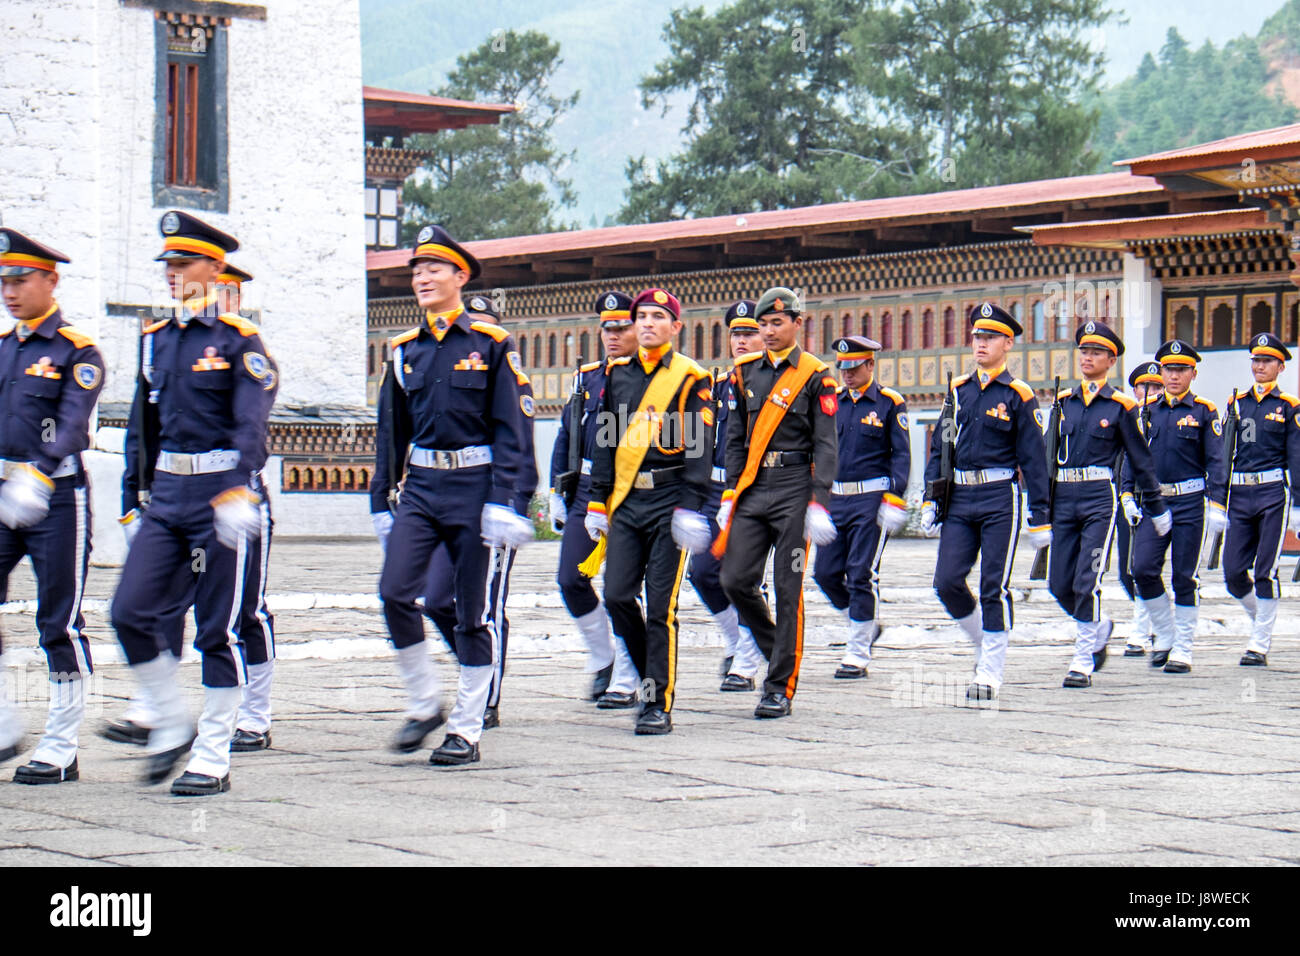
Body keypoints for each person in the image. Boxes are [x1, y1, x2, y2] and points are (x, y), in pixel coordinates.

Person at [112, 210, 277, 795]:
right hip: (168, 495)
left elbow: (251, 422)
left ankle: (213, 751)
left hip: (220, 495)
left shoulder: (239, 341)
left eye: (184, 264)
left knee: (219, 629)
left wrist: (239, 484)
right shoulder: (156, 342)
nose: (174, 275)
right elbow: (142, 425)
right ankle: (170, 718)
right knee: (129, 612)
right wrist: (134, 496)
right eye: (170, 265)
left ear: (214, 268)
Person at [370, 225, 533, 766]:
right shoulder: (403, 351)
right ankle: (424, 704)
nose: (421, 278)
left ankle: (467, 726)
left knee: (470, 612)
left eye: (433, 269)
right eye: (415, 271)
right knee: (395, 593)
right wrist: (379, 500)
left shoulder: (490, 346)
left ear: (460, 277)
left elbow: (512, 428)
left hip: (474, 487)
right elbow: (389, 432)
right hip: (420, 487)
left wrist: (505, 500)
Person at [583, 288, 713, 735]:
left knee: (661, 605)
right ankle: (645, 673)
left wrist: (691, 507)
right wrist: (599, 500)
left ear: (676, 327)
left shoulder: (690, 377)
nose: (647, 324)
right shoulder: (617, 375)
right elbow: (604, 441)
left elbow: (698, 445)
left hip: (668, 499)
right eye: (641, 316)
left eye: (658, 316)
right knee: (617, 594)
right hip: (627, 501)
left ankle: (657, 702)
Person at [0, 228, 104, 784]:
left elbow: (71, 423)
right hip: (1, 490)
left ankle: (61, 745)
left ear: (50, 281)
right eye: (4, 281)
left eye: (20, 280)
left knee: (57, 620)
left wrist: (38, 474)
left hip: (57, 495)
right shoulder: (3, 346)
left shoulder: (76, 349)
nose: (10, 291)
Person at [716, 286, 838, 718]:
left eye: (776, 324)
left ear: (797, 324)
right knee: (733, 579)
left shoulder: (816, 375)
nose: (767, 332)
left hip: (793, 487)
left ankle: (779, 687)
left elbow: (826, 444)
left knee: (788, 588)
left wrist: (818, 501)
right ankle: (777, 650)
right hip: (754, 485)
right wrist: (732, 490)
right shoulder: (744, 373)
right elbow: (734, 437)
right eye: (762, 325)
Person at [418, 293, 538, 729]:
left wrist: (514, 505)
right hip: (452, 502)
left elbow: (521, 447)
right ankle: (477, 665)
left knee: (487, 604)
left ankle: (485, 698)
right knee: (434, 599)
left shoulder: (511, 377)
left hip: (497, 503)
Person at [921, 302, 1050, 701]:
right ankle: (982, 640)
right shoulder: (957, 391)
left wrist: (1040, 515)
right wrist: (930, 497)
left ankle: (991, 668)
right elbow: (940, 447)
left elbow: (1034, 459)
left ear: (1007, 344)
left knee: (994, 585)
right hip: (960, 495)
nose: (980, 343)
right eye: (977, 336)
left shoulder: (1017, 394)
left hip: (1000, 496)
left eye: (990, 337)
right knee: (946, 581)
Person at [1047, 321, 1168, 689]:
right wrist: (1038, 506)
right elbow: (1045, 457)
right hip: (1063, 498)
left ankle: (1083, 659)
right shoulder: (1063, 402)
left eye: (1096, 352)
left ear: (1110, 360)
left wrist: (1157, 506)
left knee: (1088, 580)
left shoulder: (1121, 406)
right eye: (1084, 351)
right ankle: (1098, 627)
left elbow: (1140, 459)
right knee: (1058, 584)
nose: (1088, 357)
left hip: (1099, 498)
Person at [546, 291, 639, 708]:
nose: (614, 335)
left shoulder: (654, 378)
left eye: (622, 327)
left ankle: (629, 674)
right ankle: (604, 656)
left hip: (632, 490)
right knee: (571, 579)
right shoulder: (587, 377)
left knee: (624, 586)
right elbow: (567, 433)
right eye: (608, 328)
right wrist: (556, 490)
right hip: (586, 489)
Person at [1125, 339, 1226, 674]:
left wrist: (1218, 503)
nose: (1173, 376)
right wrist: (1127, 494)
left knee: (1184, 575)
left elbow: (1216, 459)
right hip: (1155, 502)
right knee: (1143, 570)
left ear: (1193, 373)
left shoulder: (1203, 411)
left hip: (1189, 501)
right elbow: (1133, 456)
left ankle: (1183, 647)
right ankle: (1165, 635)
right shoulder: (1146, 411)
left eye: (1181, 370)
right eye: (1169, 369)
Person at [812, 334, 910, 680]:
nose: (847, 375)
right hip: (836, 497)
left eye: (854, 368)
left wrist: (895, 498)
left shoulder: (888, 403)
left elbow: (901, 454)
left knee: (860, 573)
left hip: (871, 498)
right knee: (824, 574)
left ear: (870, 364)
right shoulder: (832, 402)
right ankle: (864, 624)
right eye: (843, 368)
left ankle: (857, 653)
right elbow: (820, 450)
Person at [691, 300, 765, 692]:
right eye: (736, 334)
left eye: (750, 333)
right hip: (711, 491)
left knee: (745, 578)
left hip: (753, 491)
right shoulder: (716, 387)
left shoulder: (774, 386)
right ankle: (738, 640)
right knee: (701, 574)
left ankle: (749, 660)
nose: (742, 341)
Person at [1219, 332, 1300, 666]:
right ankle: (1260, 619)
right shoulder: (1236, 403)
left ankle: (1260, 643)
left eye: (1266, 361)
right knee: (1233, 572)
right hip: (1239, 493)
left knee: (1265, 570)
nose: (1260, 366)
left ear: (1280, 366)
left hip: (1272, 494)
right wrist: (1217, 497)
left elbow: (1296, 456)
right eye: (1256, 360)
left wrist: (1298, 503)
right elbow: (1223, 452)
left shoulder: (1289, 406)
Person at [1117, 361, 1164, 657]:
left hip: (1158, 498)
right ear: (1134, 390)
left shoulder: (1164, 418)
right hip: (1127, 498)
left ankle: (1140, 631)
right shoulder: (1124, 418)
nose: (1149, 392)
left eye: (1156, 387)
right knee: (1125, 571)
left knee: (1146, 568)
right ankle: (1156, 620)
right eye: (1143, 387)